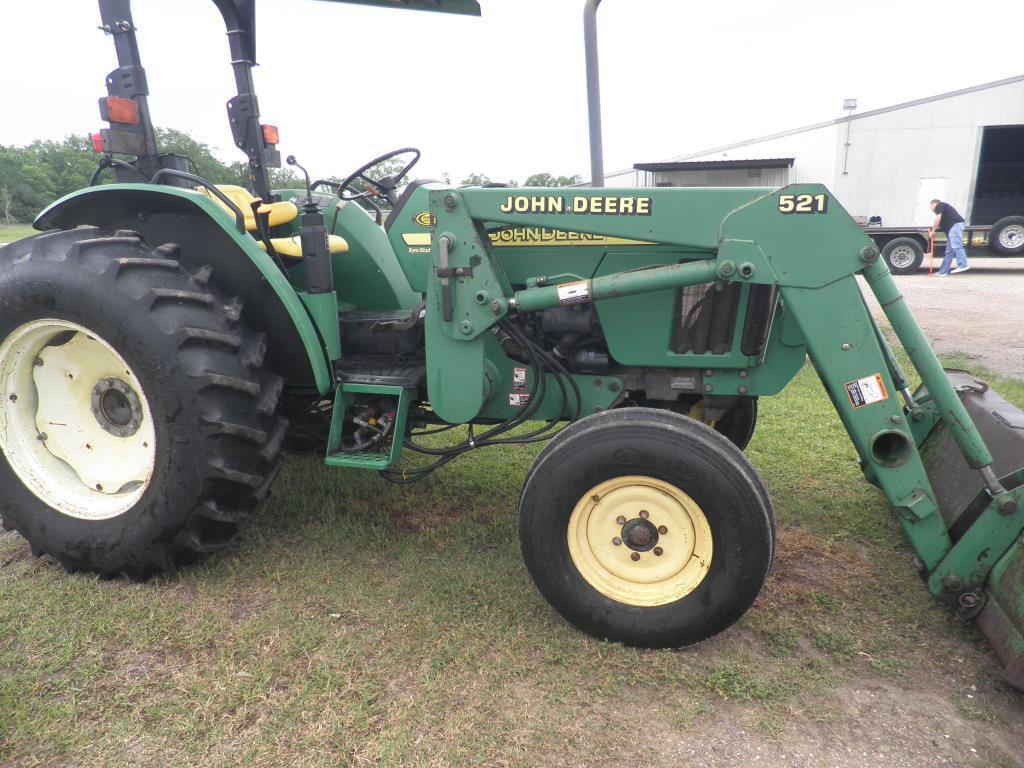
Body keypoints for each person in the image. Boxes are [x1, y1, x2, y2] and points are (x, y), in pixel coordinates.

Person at [929, 199, 969, 275]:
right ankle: (943, 272)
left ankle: (963, 264)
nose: (931, 209)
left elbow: (937, 218)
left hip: (955, 226)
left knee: (957, 246)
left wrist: (933, 231)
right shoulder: (944, 212)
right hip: (952, 229)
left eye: (930, 207)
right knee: (949, 252)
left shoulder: (940, 205)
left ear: (933, 204)